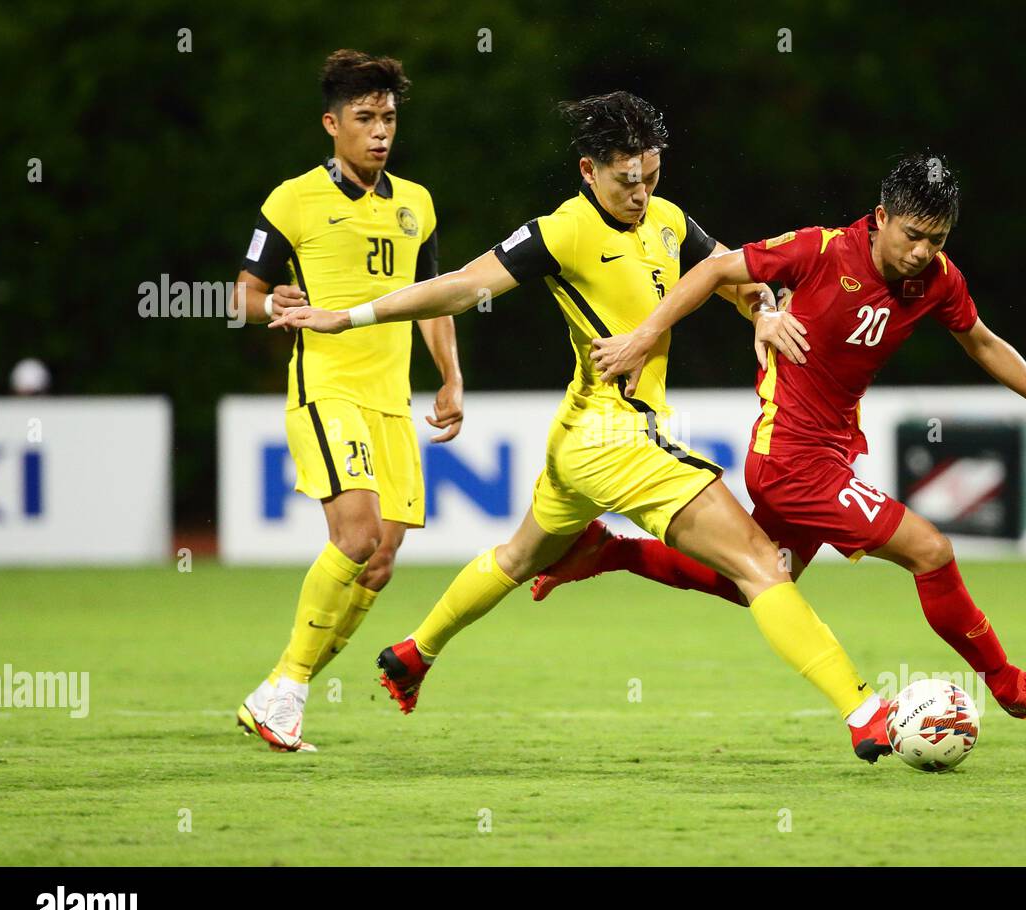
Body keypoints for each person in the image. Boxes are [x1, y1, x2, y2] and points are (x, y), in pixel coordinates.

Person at [274, 92, 901, 764]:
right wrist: (349, 316)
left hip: (579, 441)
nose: (641, 192)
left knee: (518, 559)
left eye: (652, 176)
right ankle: (864, 712)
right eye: (627, 180)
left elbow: (738, 277)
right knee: (761, 563)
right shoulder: (562, 231)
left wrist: (765, 311)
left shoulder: (668, 220)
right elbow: (458, 285)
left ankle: (413, 652)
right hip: (615, 438)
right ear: (588, 170)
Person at [541, 153, 1026, 720]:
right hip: (791, 461)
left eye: (938, 240)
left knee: (754, 578)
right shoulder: (821, 251)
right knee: (931, 551)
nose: (923, 252)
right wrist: (647, 335)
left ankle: (609, 551)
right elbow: (718, 268)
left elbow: (981, 341)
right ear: (880, 218)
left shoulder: (939, 280)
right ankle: (1011, 686)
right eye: (912, 235)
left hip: (829, 451)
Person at [231, 50, 464, 751]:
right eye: (364, 118)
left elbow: (433, 298)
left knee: (383, 560)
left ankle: (275, 688)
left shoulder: (415, 203)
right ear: (331, 124)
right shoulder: (293, 199)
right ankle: (291, 692)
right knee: (356, 536)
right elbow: (239, 293)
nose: (380, 131)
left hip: (391, 400)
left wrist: (450, 376)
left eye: (388, 117)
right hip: (326, 388)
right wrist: (268, 299)